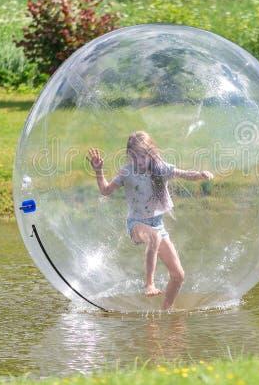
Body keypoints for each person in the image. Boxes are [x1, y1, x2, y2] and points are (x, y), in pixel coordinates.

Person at [88, 131, 213, 311]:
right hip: (136, 224)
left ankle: (166, 311)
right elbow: (106, 191)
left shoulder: (160, 168)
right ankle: (149, 284)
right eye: (135, 157)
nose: (140, 161)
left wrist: (200, 175)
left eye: (144, 157)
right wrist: (99, 172)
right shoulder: (127, 172)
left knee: (178, 275)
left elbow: (184, 174)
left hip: (157, 224)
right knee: (154, 237)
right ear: (130, 155)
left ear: (151, 153)